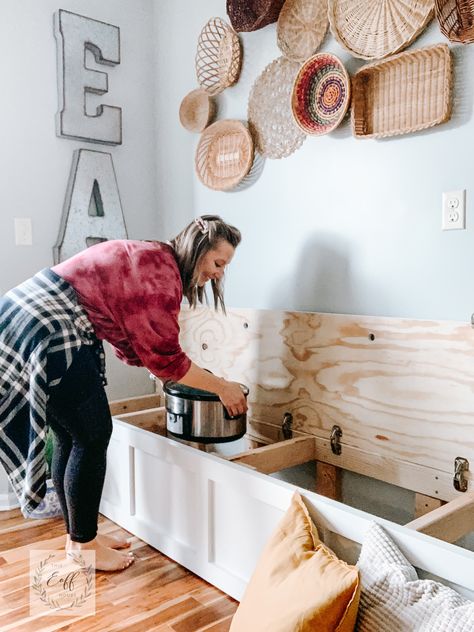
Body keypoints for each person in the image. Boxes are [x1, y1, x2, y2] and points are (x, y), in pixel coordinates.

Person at [0, 214, 247, 571]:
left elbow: (132, 335)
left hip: (25, 319)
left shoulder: (152, 257)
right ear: (198, 250)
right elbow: (167, 357)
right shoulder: (160, 275)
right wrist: (222, 387)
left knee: (71, 436)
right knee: (93, 435)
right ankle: (83, 547)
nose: (219, 273)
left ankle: (80, 537)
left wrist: (159, 365)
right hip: (51, 326)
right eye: (218, 262)